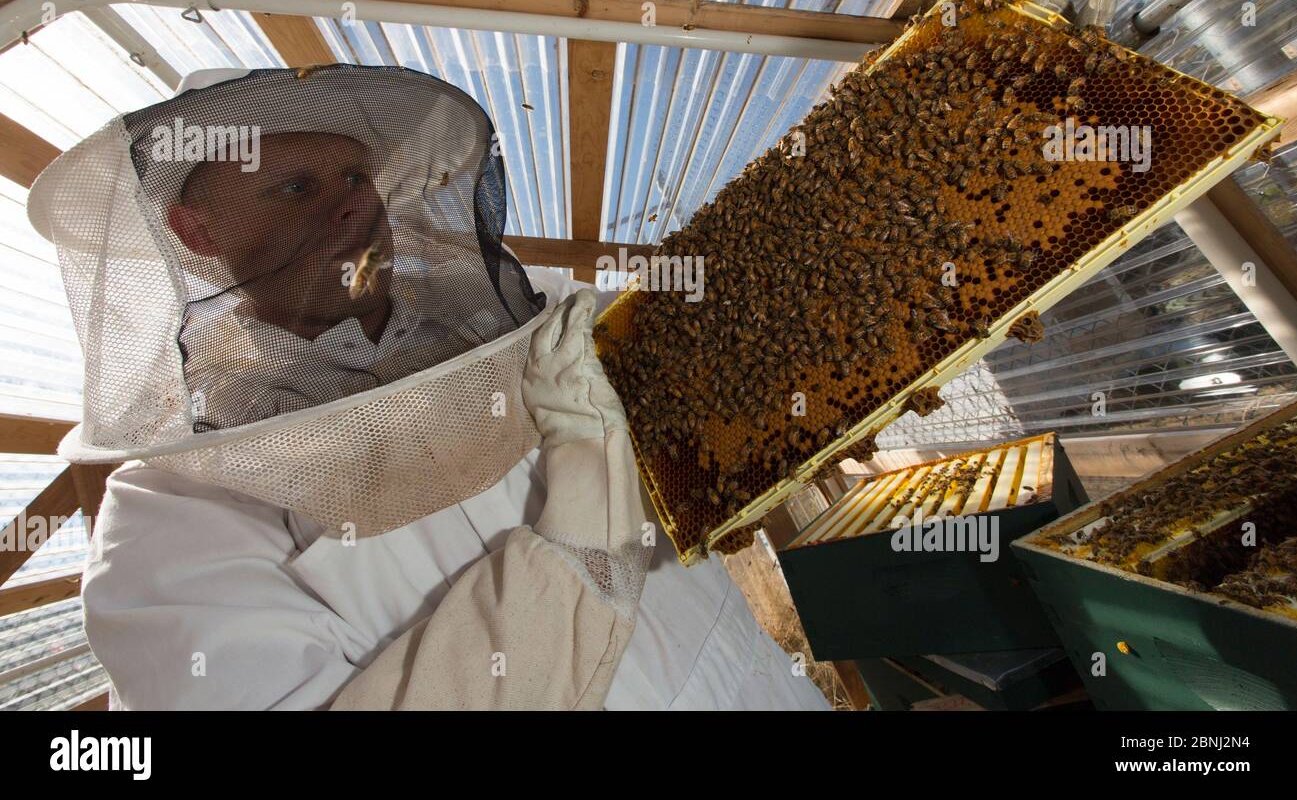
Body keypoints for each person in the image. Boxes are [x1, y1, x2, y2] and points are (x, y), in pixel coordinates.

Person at [29, 65, 828, 710]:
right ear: (197, 234)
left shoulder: (531, 319)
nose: (350, 204)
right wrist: (584, 515)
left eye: (354, 175)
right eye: (295, 188)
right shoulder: (171, 518)